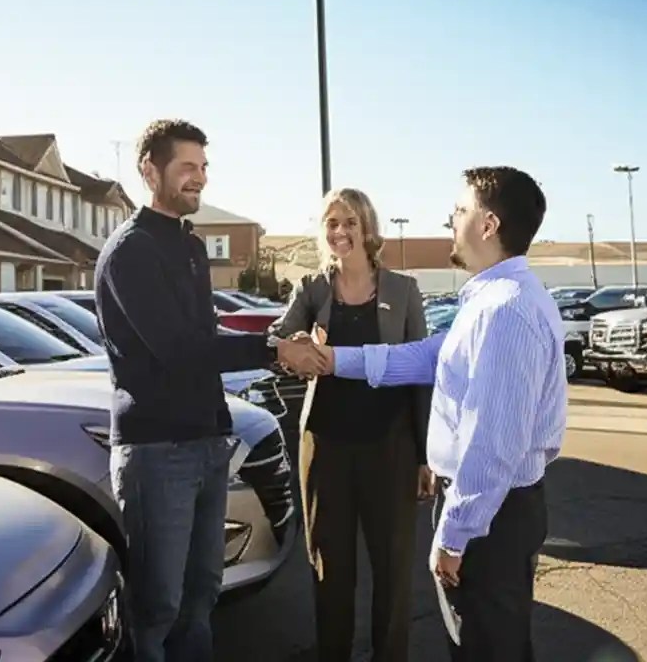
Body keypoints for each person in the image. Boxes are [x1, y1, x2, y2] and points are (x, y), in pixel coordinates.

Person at [281, 166, 566, 662]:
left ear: (489, 225)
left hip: (492, 519)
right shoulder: (491, 300)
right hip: (491, 513)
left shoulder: (506, 312)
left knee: (488, 646)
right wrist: (332, 359)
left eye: (460, 210)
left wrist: (455, 535)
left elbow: (493, 445)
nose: (450, 219)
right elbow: (424, 357)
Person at [94, 119, 279, 662]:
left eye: (203, 167)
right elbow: (177, 349)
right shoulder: (131, 251)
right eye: (186, 167)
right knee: (157, 607)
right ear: (150, 171)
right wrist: (272, 351)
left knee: (201, 596)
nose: (199, 178)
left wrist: (271, 342)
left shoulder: (191, 247)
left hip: (207, 442)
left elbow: (205, 336)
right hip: (158, 452)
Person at [267, 188, 434, 662]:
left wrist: (424, 456)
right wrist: (295, 344)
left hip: (391, 447)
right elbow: (279, 339)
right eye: (332, 223)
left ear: (367, 229)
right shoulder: (311, 289)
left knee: (393, 571)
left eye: (349, 223)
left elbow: (421, 373)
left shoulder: (403, 290)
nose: (340, 232)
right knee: (330, 570)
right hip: (326, 449)